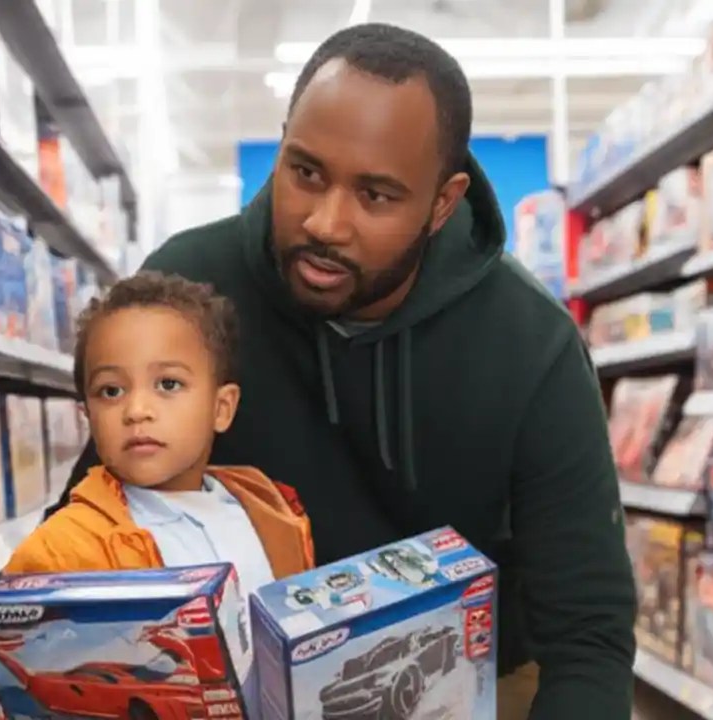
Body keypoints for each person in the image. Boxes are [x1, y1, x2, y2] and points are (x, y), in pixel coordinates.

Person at [52, 23, 636, 719]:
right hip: (238, 686)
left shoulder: (532, 341)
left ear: (443, 203)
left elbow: (588, 628)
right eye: (305, 173)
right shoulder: (189, 287)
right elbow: (95, 512)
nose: (326, 222)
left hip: (459, 683)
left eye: (377, 196)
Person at [7, 271, 315, 595]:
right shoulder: (61, 553)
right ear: (88, 416)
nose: (137, 410)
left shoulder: (269, 507)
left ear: (221, 408)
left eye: (168, 384)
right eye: (111, 391)